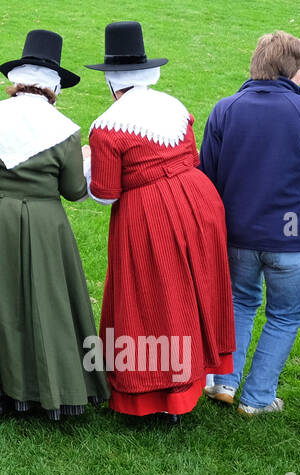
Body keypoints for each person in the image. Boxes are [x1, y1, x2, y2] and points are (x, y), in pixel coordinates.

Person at [0, 29, 108, 420]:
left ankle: (1, 389)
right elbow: (74, 190)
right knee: (46, 302)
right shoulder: (65, 130)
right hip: (43, 222)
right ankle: (47, 389)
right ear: (54, 86)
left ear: (17, 80)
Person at [83, 21, 234, 421]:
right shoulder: (176, 106)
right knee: (193, 288)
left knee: (153, 295)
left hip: (149, 213)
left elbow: (105, 192)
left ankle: (155, 393)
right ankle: (193, 379)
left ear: (113, 81)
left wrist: (86, 164)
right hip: (199, 201)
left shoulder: (106, 127)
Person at [199, 31, 300, 415]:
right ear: (292, 72)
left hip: (237, 234)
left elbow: (206, 176)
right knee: (284, 315)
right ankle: (259, 398)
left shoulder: (224, 108)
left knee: (240, 303)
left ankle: (224, 383)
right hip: (290, 238)